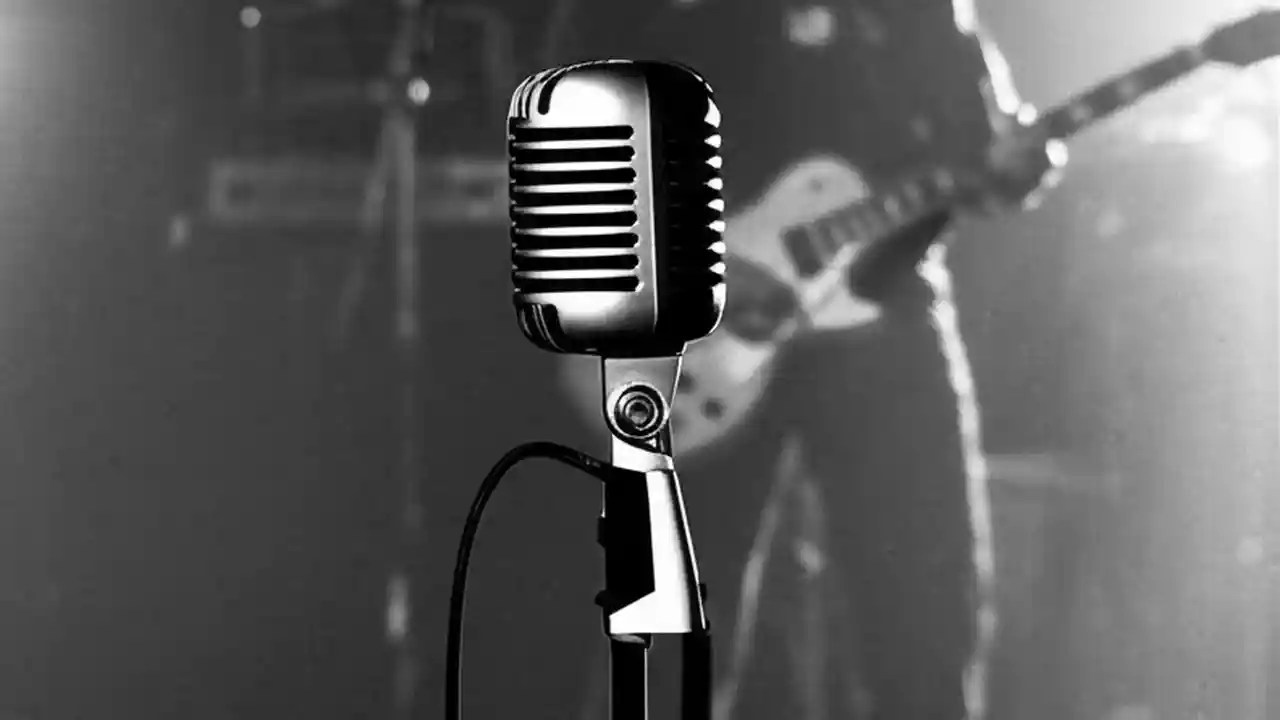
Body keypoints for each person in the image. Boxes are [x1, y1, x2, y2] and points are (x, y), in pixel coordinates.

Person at [542, 1, 1063, 718]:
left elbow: (976, 128)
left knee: (926, 626)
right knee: (673, 640)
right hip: (697, 323)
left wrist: (1010, 163)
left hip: (884, 306)